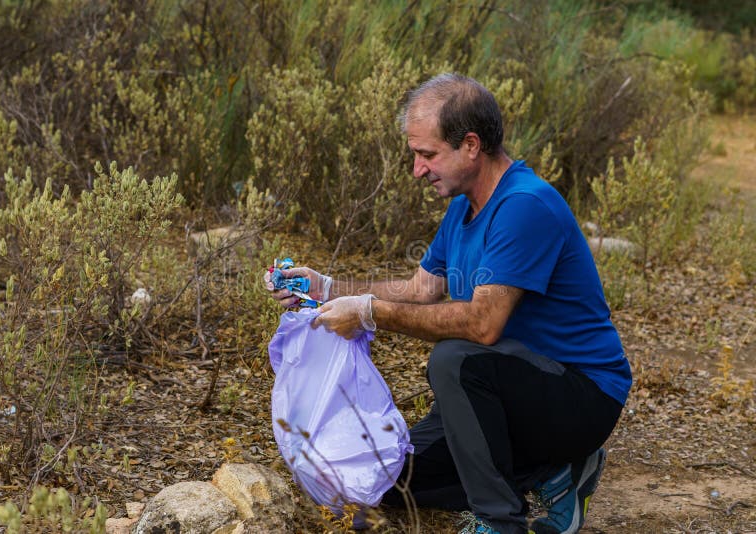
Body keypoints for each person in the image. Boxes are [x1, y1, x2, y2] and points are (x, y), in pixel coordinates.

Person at [265, 73, 631, 534]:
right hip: (512, 386)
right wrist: (329, 287)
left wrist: (368, 313)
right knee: (387, 480)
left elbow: (482, 326)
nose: (418, 169)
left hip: (580, 396)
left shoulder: (525, 206)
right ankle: (552, 473)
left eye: (427, 154)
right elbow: (421, 289)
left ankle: (500, 522)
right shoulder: (464, 205)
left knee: (455, 359)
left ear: (472, 145)